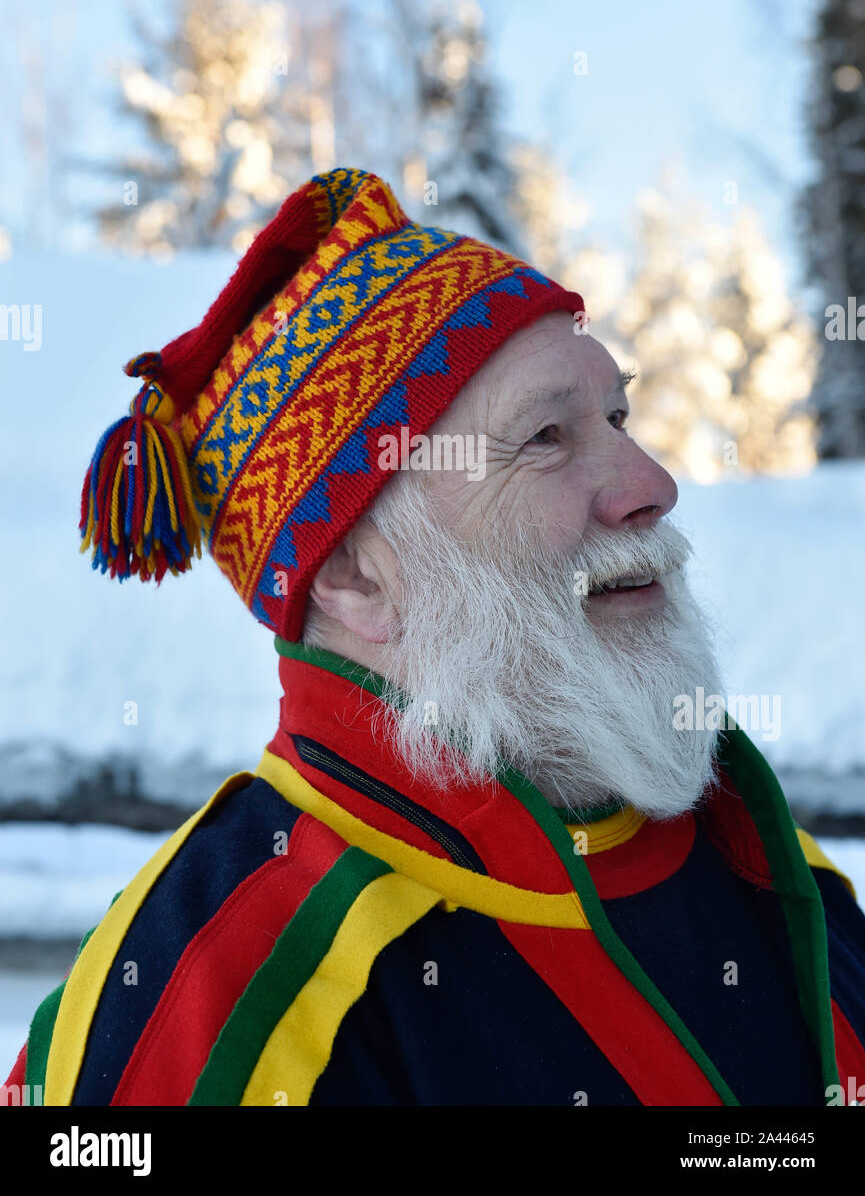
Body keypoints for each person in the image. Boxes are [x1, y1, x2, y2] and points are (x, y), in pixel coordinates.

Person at [7, 167, 865, 1107]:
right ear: (356, 576)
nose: (650, 481)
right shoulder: (208, 999)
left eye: (619, 417)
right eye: (544, 437)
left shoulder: (770, 859)